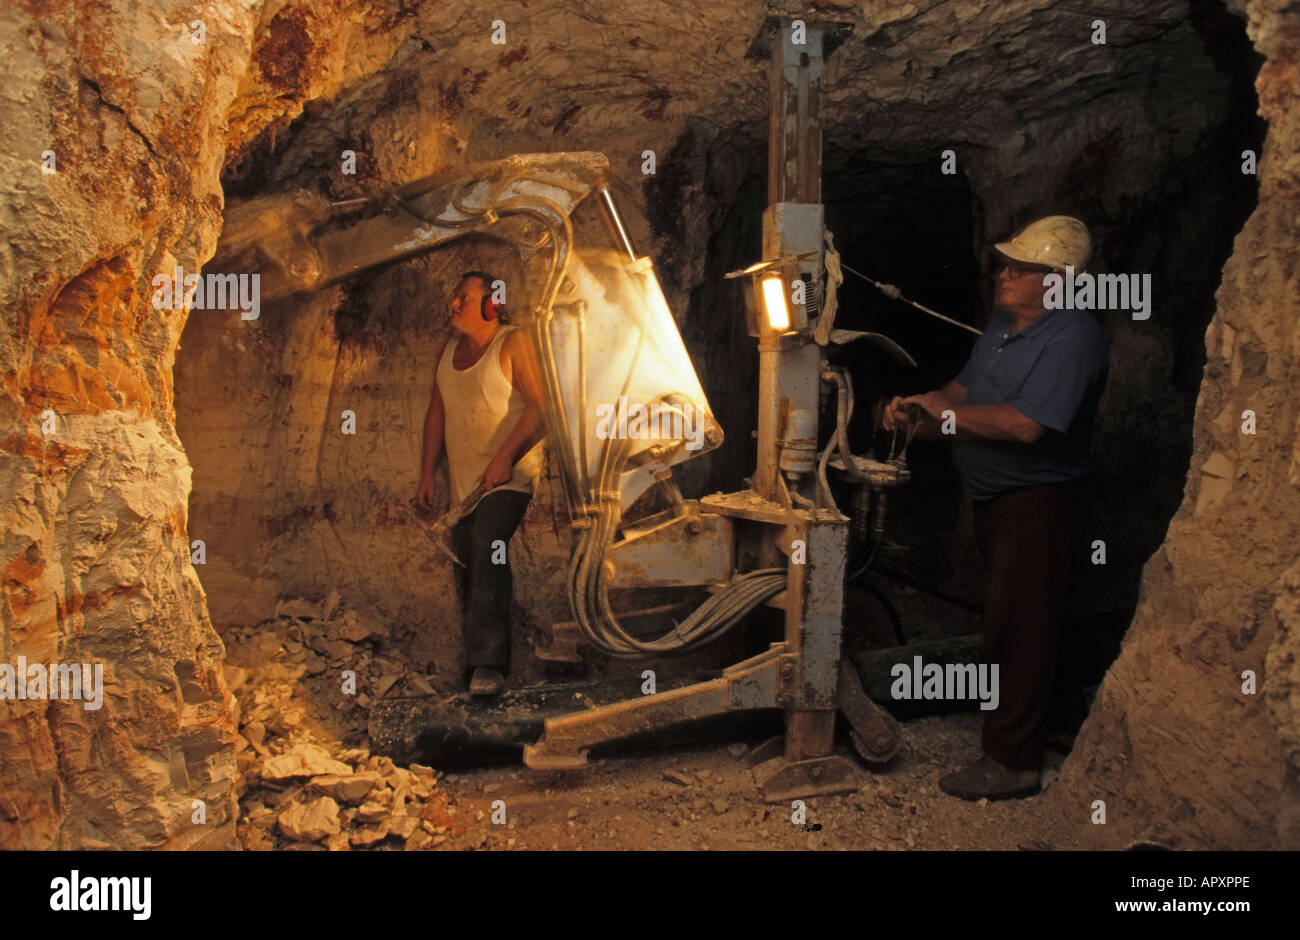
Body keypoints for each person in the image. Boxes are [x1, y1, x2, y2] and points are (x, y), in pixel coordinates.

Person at [882, 216, 1109, 801]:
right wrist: (919, 405)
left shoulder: (1073, 337)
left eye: (1021, 267)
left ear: (1057, 282)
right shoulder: (1001, 328)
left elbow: (1026, 424)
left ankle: (1012, 763)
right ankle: (1056, 724)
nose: (1003, 274)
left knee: (1018, 629)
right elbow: (961, 394)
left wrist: (944, 420)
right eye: (1004, 264)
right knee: (1034, 616)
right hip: (995, 498)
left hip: (1038, 503)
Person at [416, 271, 545, 697]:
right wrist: (426, 473)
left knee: (490, 543)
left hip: (509, 479)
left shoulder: (514, 342)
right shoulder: (449, 351)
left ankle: (490, 667)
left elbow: (541, 410)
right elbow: (438, 414)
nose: (454, 304)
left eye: (464, 298)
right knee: (470, 566)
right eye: (454, 297)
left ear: (492, 305)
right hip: (464, 487)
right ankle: (473, 665)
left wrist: (504, 458)